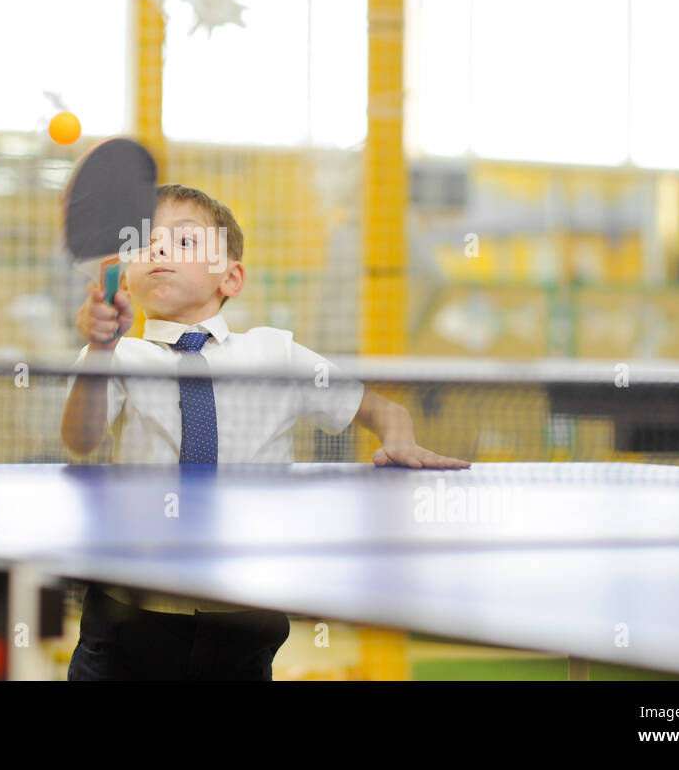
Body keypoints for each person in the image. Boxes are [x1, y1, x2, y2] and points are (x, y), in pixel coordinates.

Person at [60, 184, 469, 680]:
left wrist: (397, 436)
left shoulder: (278, 355)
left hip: (245, 613)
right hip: (128, 612)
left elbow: (383, 410)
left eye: (184, 241)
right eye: (145, 243)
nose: (160, 249)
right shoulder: (117, 357)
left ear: (231, 277)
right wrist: (100, 350)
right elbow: (80, 437)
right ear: (125, 278)